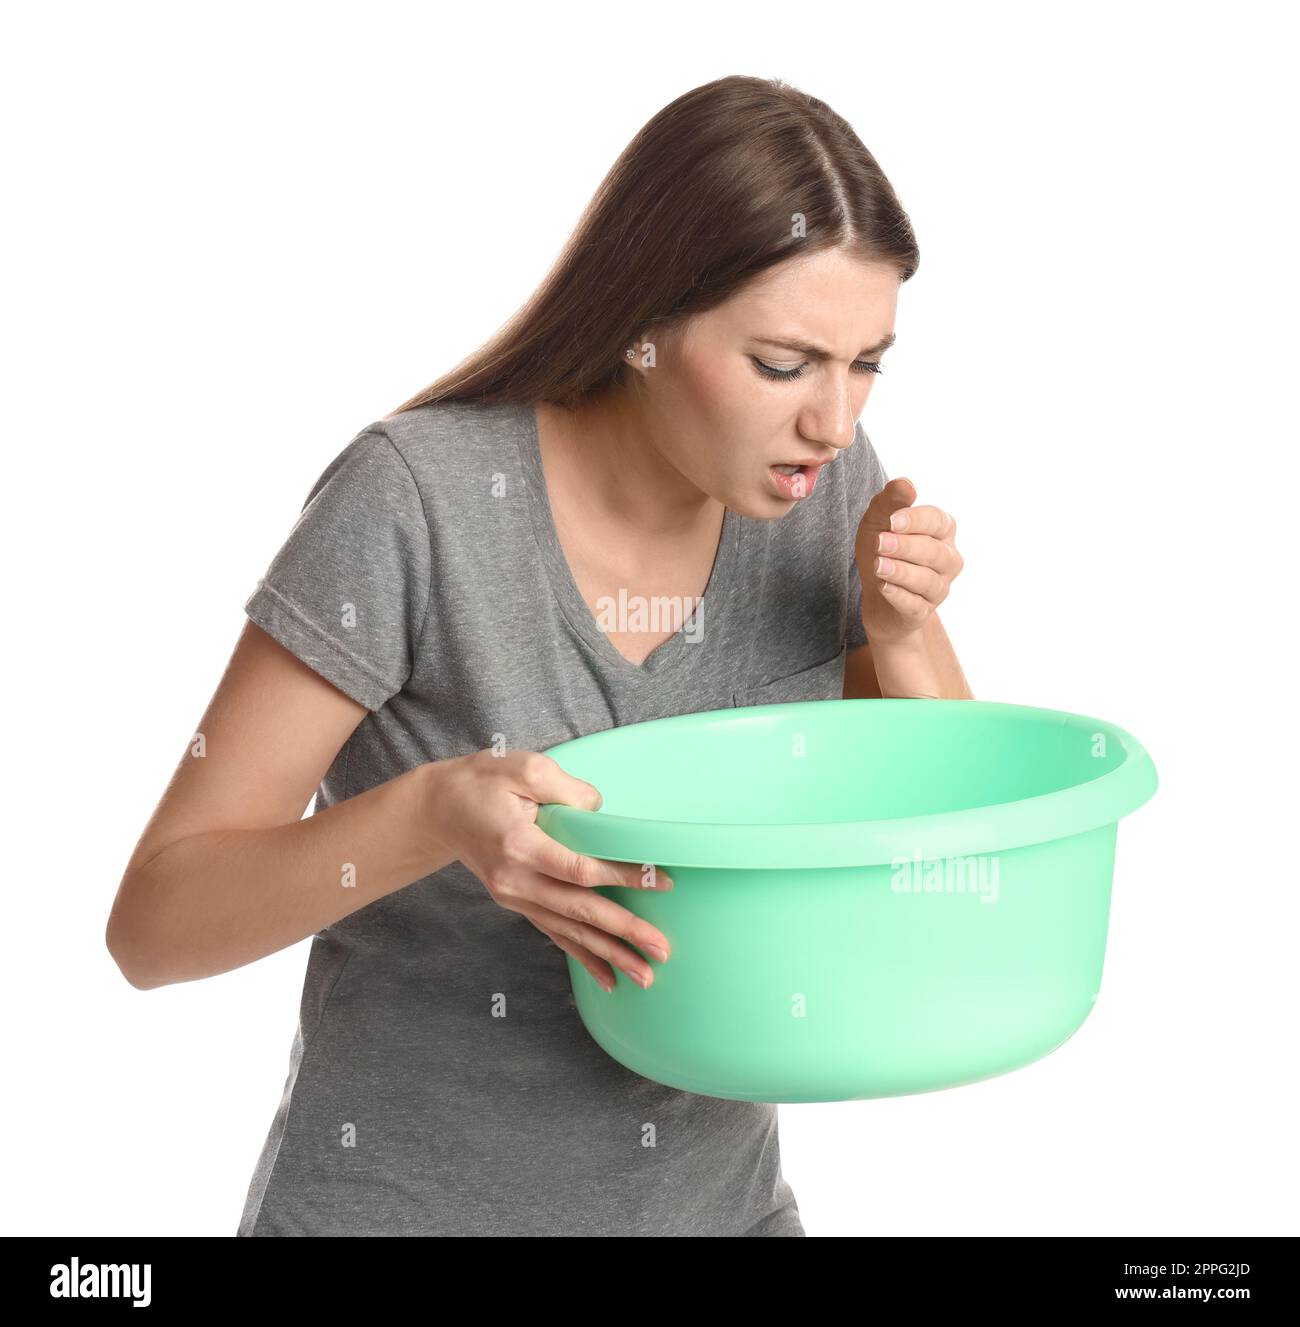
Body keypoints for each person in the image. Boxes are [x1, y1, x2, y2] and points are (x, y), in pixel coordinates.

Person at [105, 73, 970, 1237]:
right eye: (783, 363)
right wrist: (433, 817)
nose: (835, 420)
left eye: (868, 362)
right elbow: (154, 927)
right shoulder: (416, 502)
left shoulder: (823, 498)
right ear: (646, 325)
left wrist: (902, 632)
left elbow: (954, 874)